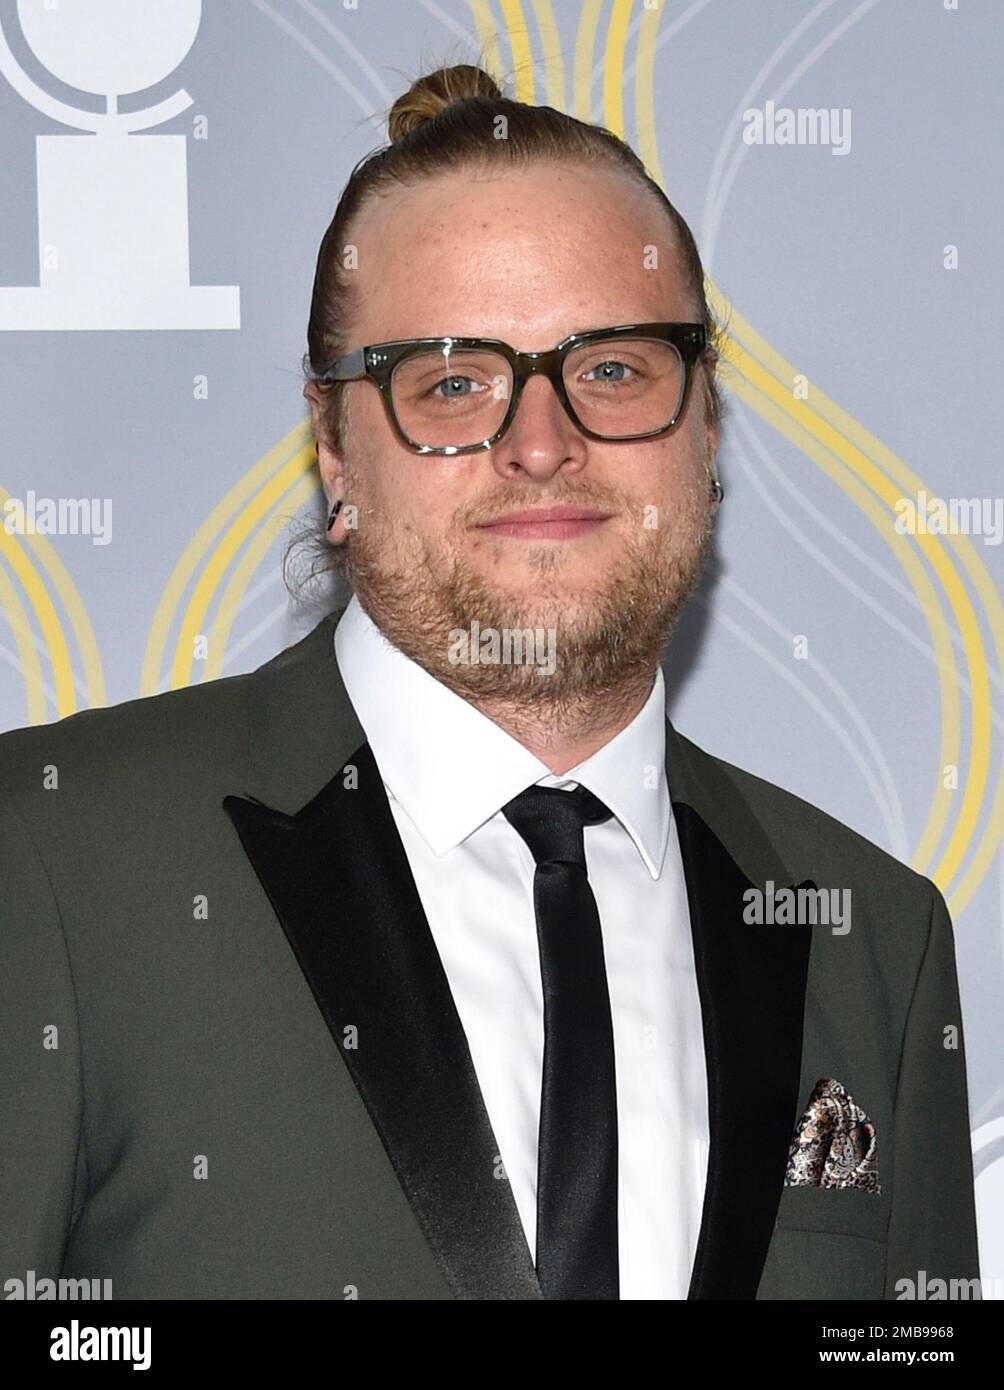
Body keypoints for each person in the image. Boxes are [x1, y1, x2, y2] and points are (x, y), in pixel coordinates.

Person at [0, 63, 980, 1301]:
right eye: (452, 382)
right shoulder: (51, 860)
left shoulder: (869, 935)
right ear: (332, 446)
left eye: (614, 368)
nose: (540, 440)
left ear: (706, 431)